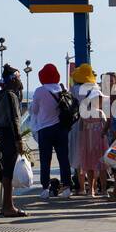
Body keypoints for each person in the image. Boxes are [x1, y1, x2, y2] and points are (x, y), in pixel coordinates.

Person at [30, 63, 73, 200]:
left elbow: (35, 110)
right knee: (63, 159)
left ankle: (45, 189)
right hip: (61, 129)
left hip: (45, 130)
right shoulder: (62, 88)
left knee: (45, 160)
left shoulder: (39, 91)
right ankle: (66, 188)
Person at [0, 64, 27, 218]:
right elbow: (14, 119)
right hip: (10, 136)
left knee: (7, 171)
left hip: (3, 134)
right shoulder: (11, 96)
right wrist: (19, 140)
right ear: (13, 79)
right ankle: (9, 206)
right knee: (9, 172)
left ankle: (7, 205)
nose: (20, 81)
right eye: (18, 78)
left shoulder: (0, 95)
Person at [72, 64, 109, 198]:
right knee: (100, 164)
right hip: (99, 138)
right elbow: (106, 125)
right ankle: (102, 189)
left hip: (87, 136)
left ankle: (90, 190)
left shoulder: (76, 90)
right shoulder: (96, 90)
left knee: (88, 163)